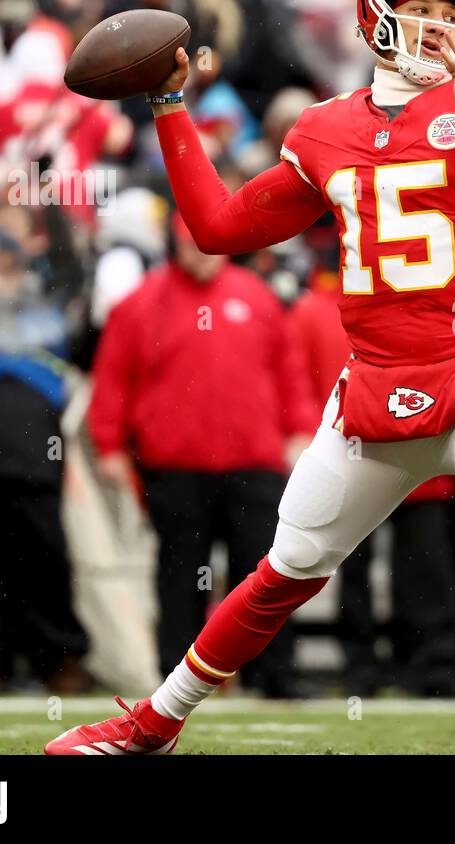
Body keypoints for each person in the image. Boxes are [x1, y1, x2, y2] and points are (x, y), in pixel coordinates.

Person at [47, 0, 455, 756]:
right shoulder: (326, 131)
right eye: (422, 8)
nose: (441, 26)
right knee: (282, 573)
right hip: (378, 381)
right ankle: (155, 722)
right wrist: (169, 107)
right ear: (377, 13)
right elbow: (219, 227)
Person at [86, 212, 303, 695]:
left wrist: (300, 429)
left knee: (268, 576)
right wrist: (109, 445)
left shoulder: (256, 297)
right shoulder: (142, 304)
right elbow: (113, 379)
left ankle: (275, 677)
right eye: (191, 245)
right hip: (177, 467)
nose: (201, 256)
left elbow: (289, 370)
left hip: (255, 464)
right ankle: (176, 684)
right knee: (181, 578)